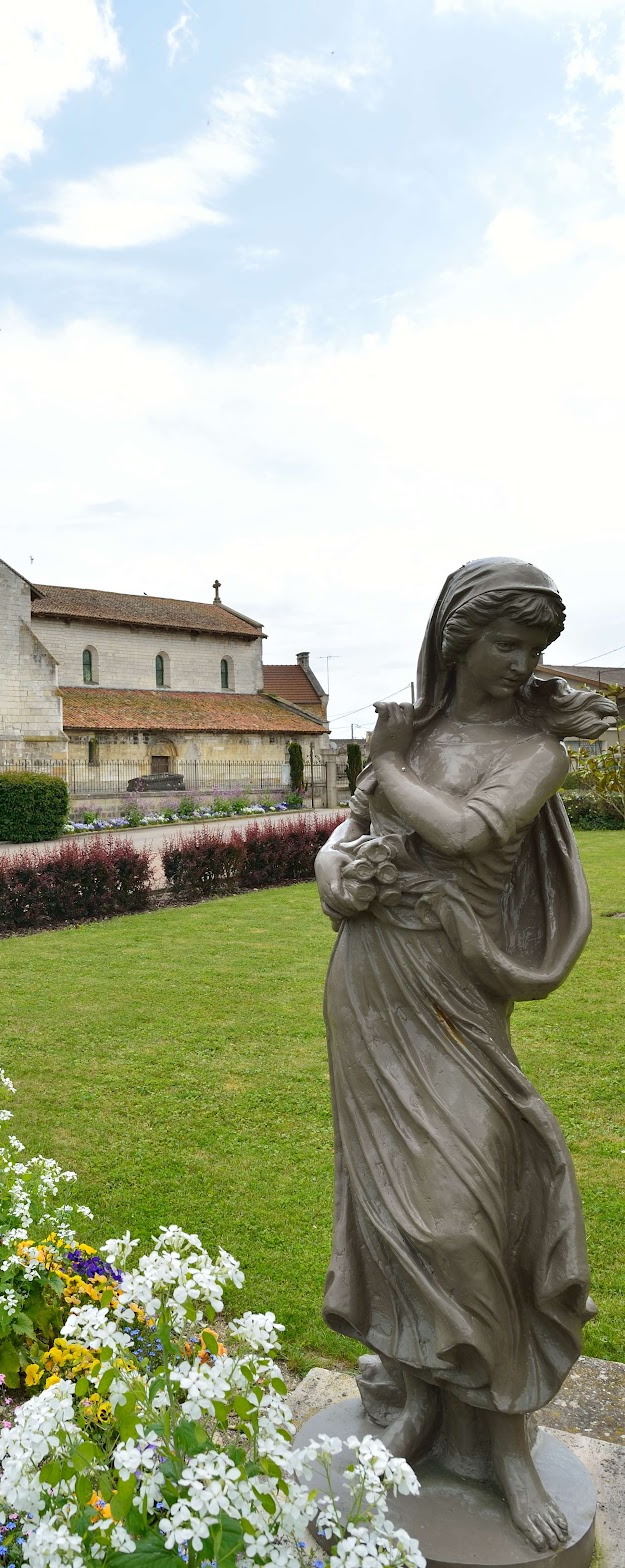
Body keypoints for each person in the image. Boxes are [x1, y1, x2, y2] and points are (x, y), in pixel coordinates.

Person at [314, 558, 615, 1554]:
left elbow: (457, 830)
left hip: (457, 990)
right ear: (459, 641)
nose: (522, 663)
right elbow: (346, 834)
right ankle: (416, 1404)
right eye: (506, 644)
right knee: (392, 1208)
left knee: (468, 1216)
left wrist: (388, 760)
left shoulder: (533, 754)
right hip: (371, 981)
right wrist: (335, 878)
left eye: (534, 647)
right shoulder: (419, 735)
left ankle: (506, 1441)